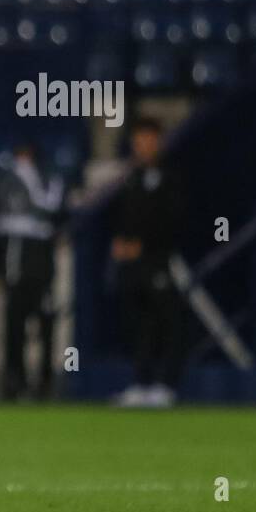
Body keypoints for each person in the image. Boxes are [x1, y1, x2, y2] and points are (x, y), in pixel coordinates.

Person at [110, 118, 186, 407]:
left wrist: (143, 244)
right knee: (139, 323)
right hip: (132, 265)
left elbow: (174, 219)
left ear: (159, 142)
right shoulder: (131, 177)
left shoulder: (171, 176)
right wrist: (120, 241)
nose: (143, 146)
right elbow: (123, 216)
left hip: (158, 260)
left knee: (168, 321)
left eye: (148, 140)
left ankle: (166, 385)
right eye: (138, 141)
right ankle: (140, 384)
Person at [0, 142, 63, 400]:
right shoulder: (5, 183)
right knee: (14, 323)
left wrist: (30, 179)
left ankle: (45, 381)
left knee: (45, 322)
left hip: (41, 264)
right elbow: (2, 221)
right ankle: (14, 379)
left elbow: (50, 207)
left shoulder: (46, 179)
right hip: (16, 264)